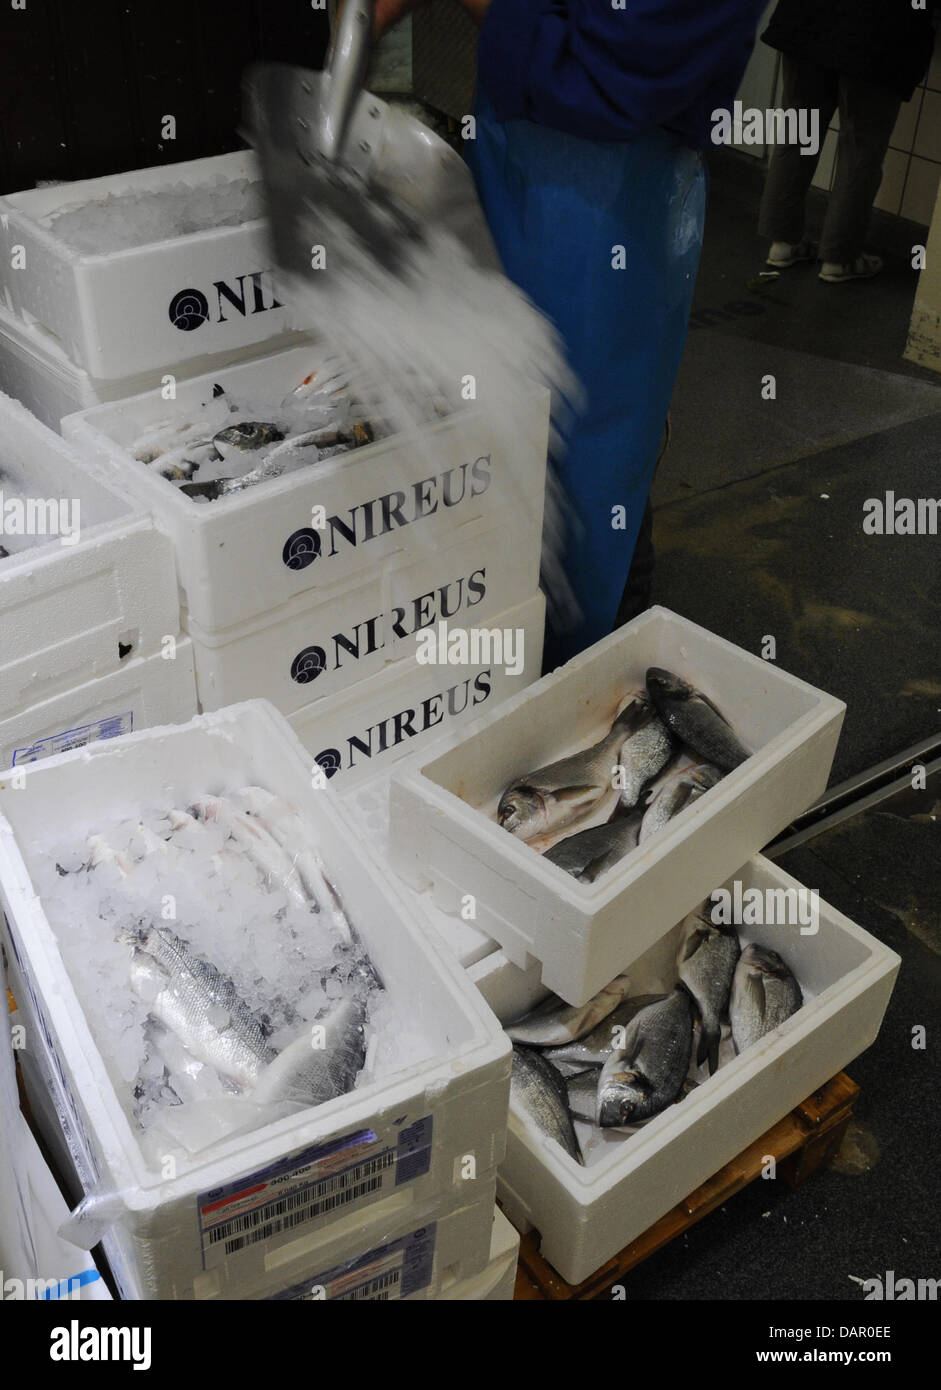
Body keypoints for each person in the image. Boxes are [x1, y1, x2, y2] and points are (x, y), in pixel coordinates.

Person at [375, 0, 767, 668]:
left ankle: (574, 678)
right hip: (513, 151)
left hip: (608, 192)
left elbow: (620, 69)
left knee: (583, 470)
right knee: (496, 419)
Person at [758, 0, 936, 283]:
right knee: (861, 147)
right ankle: (839, 258)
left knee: (798, 132)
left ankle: (782, 243)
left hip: (808, 19)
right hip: (879, 33)